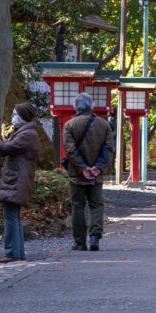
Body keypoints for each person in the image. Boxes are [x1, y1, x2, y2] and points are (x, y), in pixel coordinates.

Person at [0, 102, 44, 262]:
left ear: (22, 116)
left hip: (16, 180)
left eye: (16, 114)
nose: (13, 117)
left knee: (10, 216)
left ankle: (12, 253)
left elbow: (4, 148)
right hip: (15, 180)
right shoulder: (22, 132)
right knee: (13, 216)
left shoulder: (27, 134)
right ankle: (17, 252)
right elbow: (2, 148)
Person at [61, 92, 112, 251]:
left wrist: (83, 168)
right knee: (96, 204)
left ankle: (80, 242)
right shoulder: (103, 124)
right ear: (92, 106)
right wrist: (97, 167)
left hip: (77, 174)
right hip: (96, 175)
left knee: (78, 206)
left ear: (76, 107)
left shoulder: (70, 125)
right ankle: (95, 236)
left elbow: (70, 150)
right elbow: (108, 149)